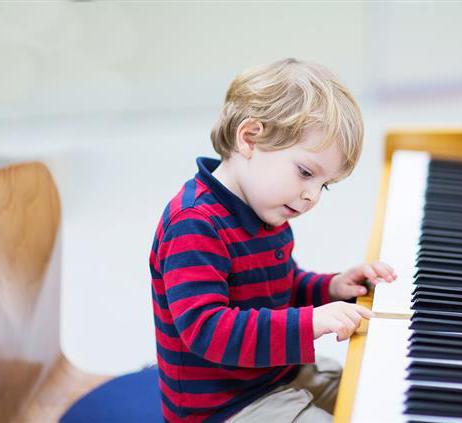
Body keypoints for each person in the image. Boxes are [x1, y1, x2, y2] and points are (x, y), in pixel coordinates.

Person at [149, 58, 396, 422]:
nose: (312, 196)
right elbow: (207, 330)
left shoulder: (266, 208)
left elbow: (280, 286)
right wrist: (311, 322)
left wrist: (332, 287)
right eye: (306, 173)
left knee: (376, 399)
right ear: (249, 138)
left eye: (323, 184)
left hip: (277, 375)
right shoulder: (195, 224)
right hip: (224, 407)